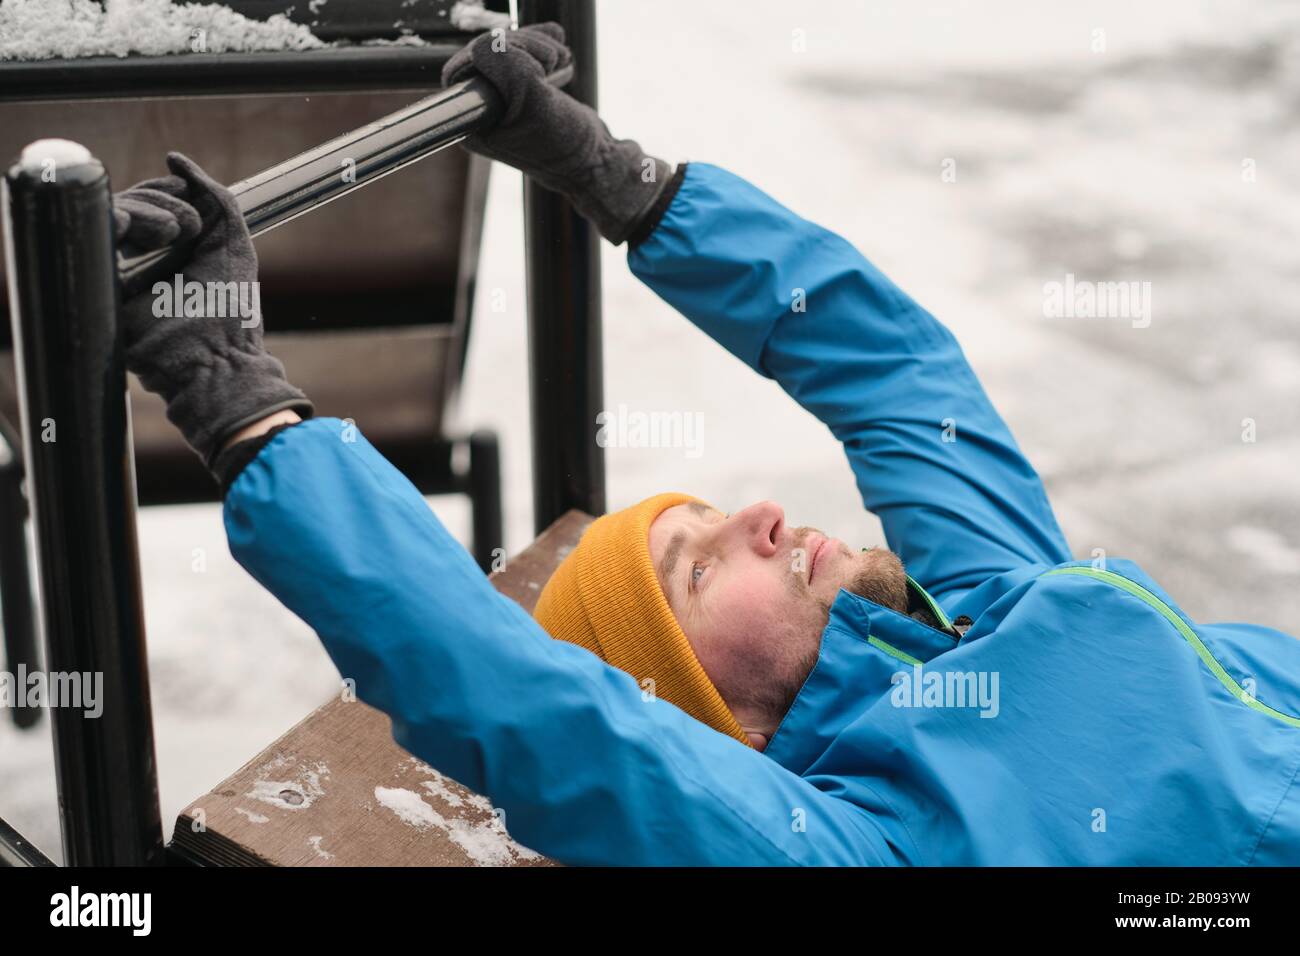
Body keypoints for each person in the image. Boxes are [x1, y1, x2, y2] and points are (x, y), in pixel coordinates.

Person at [110, 24, 1300, 866]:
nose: (762, 516)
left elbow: (894, 374)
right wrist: (239, 403)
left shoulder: (990, 604)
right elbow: (520, 698)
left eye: (710, 514)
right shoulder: (861, 842)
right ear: (717, 728)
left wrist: (620, 181)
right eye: (699, 565)